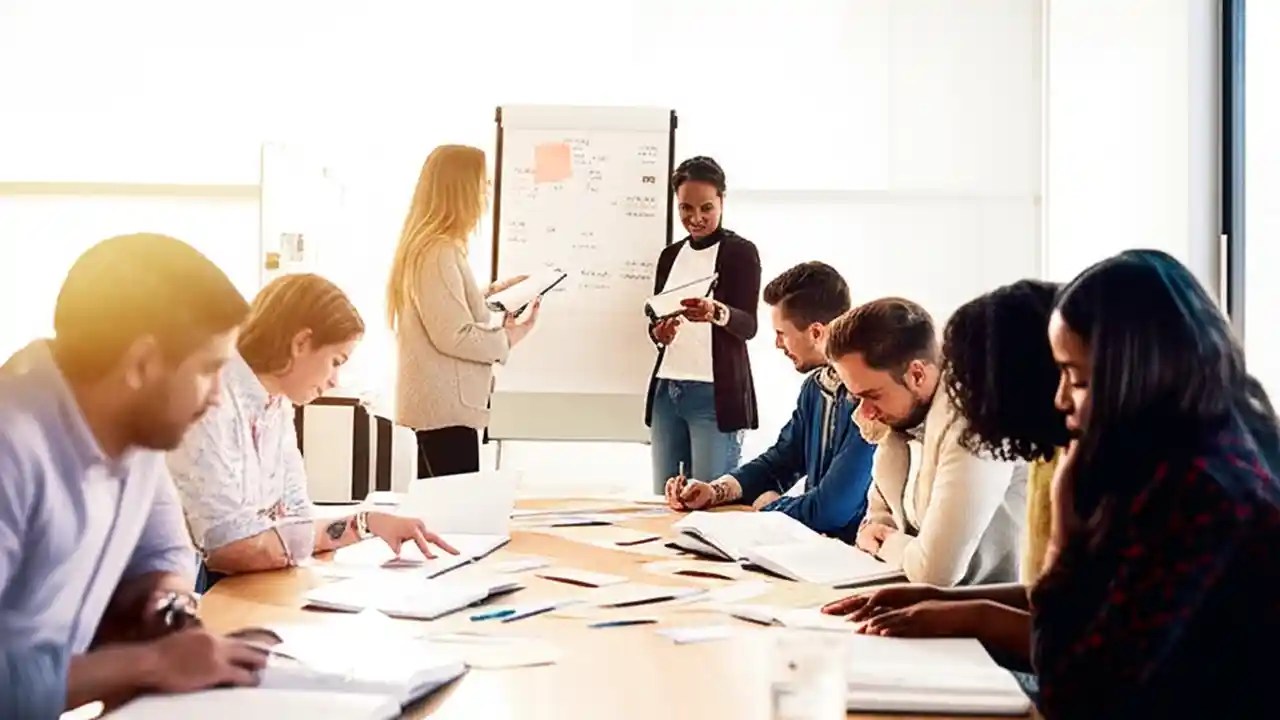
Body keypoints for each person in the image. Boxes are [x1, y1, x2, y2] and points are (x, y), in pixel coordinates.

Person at [0, 233, 269, 717]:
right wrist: (148, 663)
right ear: (141, 363)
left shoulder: (136, 431)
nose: (215, 399)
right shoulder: (11, 448)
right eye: (209, 369)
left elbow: (164, 554)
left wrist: (166, 605)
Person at [1032, 251, 1279, 717]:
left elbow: (1073, 694)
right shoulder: (1208, 458)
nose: (1060, 398)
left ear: (1133, 375)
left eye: (1077, 378)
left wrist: (1063, 531)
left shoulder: (1197, 494)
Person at [822, 280, 1068, 679]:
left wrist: (970, 612)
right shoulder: (1049, 450)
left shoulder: (990, 425)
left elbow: (1099, 638)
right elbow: (1059, 598)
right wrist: (933, 596)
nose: (962, 398)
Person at [169, 274, 457, 584]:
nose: (336, 380)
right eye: (336, 361)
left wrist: (369, 522)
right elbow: (233, 548)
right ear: (301, 343)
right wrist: (285, 536)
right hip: (190, 593)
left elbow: (296, 521)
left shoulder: (276, 405)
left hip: (235, 587)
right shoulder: (214, 398)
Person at [824, 297, 1026, 586]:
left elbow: (936, 573)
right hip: (933, 604)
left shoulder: (975, 420)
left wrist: (887, 544)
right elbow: (876, 521)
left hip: (993, 612)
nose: (863, 413)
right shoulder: (904, 415)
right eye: (857, 397)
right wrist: (888, 538)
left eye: (871, 395)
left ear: (917, 374)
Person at [663, 262, 875, 536]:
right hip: (815, 549)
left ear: (816, 333)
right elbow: (782, 461)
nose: (777, 344)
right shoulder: (816, 387)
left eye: (781, 334)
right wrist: (714, 492)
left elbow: (830, 510)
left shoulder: (869, 403)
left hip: (855, 561)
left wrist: (769, 507)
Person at [387, 144, 538, 477]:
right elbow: (453, 335)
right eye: (481, 185)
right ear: (460, 191)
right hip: (447, 413)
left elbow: (442, 311)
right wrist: (510, 336)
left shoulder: (432, 248)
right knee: (456, 519)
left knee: (445, 513)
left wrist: (492, 294)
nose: (486, 195)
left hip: (442, 410)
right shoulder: (437, 251)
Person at [646, 156, 761, 494]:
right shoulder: (670, 256)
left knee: (711, 500)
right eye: (686, 208)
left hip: (715, 394)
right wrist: (659, 334)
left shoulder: (740, 252)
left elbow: (749, 325)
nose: (695, 218)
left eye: (706, 207)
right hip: (668, 390)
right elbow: (657, 317)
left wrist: (716, 312)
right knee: (661, 500)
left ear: (722, 200)